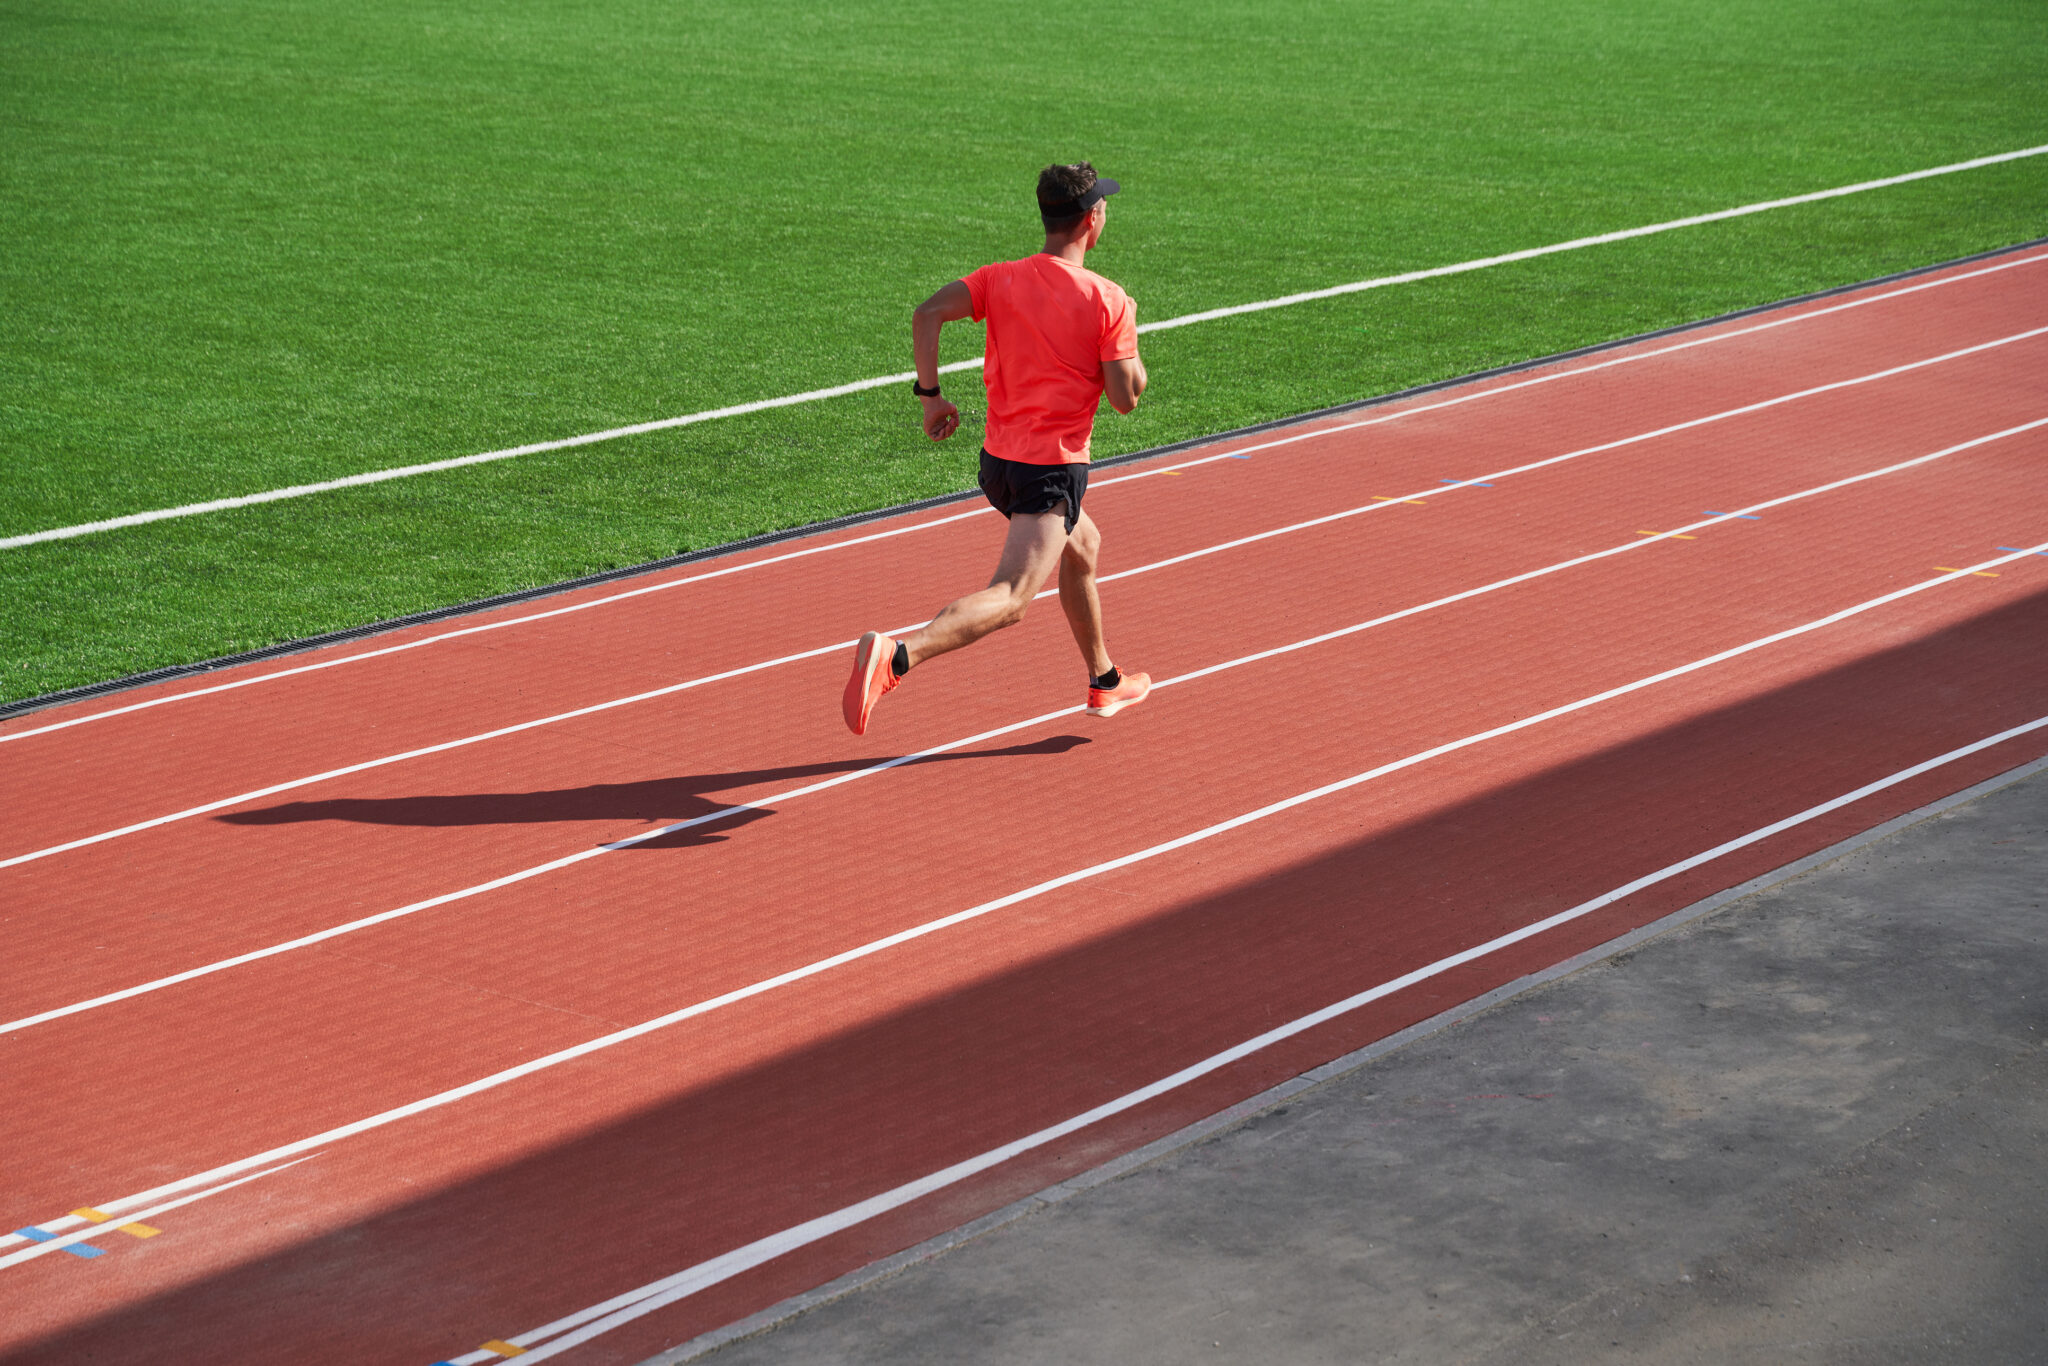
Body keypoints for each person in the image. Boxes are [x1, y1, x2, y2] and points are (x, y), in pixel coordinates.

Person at [842, 161, 1152, 735]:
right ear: (1093, 220)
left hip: (999, 464)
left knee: (1083, 544)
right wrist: (1133, 360)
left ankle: (1104, 680)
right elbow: (1124, 399)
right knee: (1011, 598)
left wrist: (932, 397)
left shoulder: (1000, 277)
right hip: (1051, 469)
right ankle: (898, 655)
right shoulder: (1109, 300)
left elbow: (927, 313)